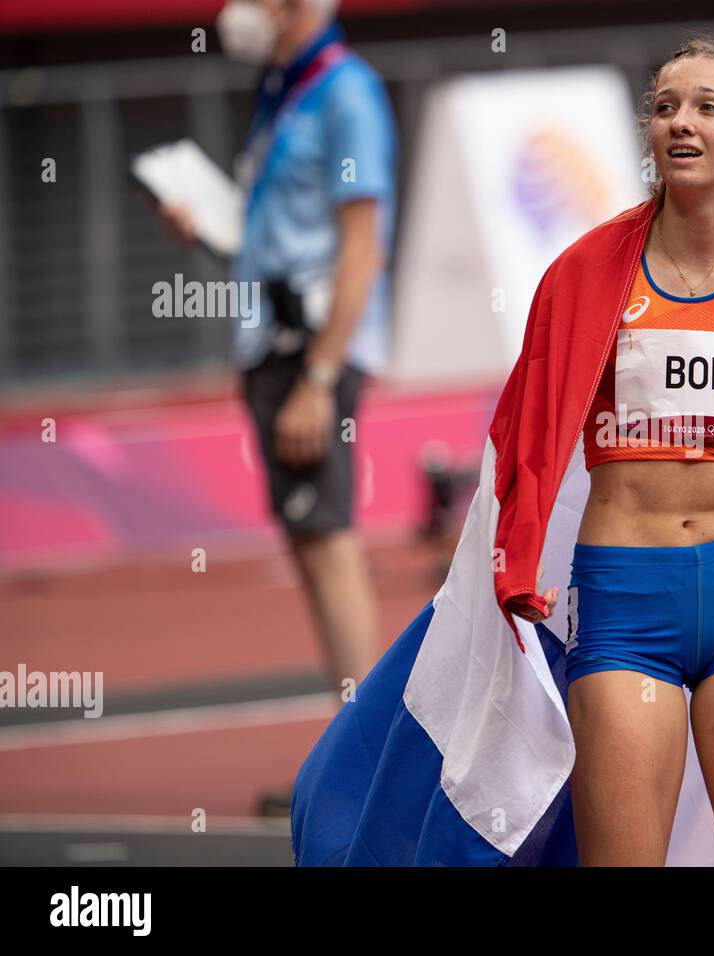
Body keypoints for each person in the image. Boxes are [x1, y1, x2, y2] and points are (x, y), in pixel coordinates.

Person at [290, 33, 714, 868]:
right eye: (664, 107)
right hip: (625, 610)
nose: (680, 123)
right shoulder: (586, 278)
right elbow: (527, 445)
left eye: (706, 108)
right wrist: (515, 568)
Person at [157, 0, 396, 811]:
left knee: (329, 544)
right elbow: (280, 231)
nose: (235, 12)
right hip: (274, 346)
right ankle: (352, 754)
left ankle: (363, 766)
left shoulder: (345, 92)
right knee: (310, 541)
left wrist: (321, 378)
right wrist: (212, 231)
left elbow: (362, 247)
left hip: (309, 354)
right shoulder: (285, 88)